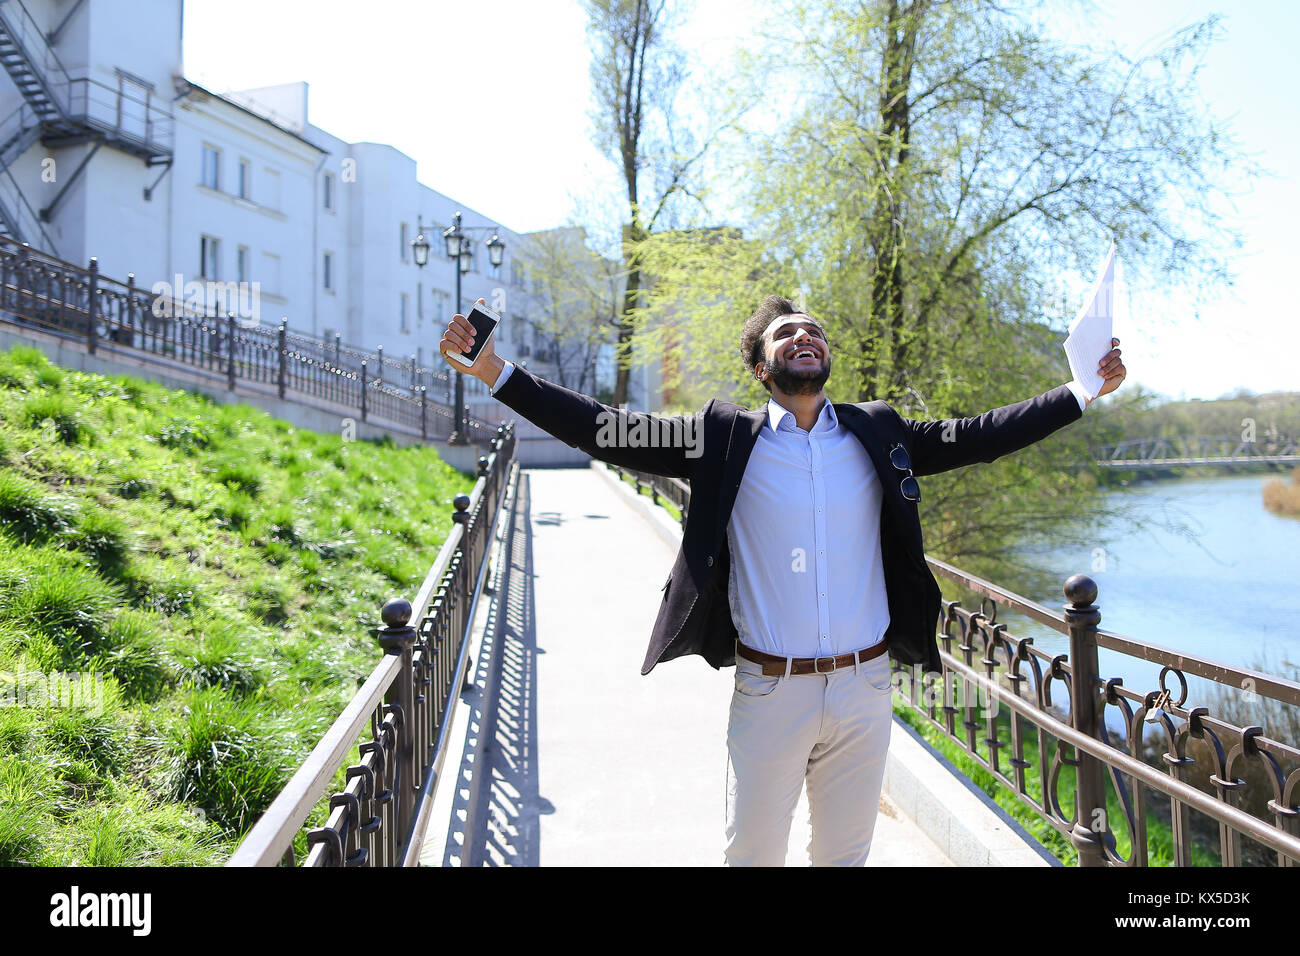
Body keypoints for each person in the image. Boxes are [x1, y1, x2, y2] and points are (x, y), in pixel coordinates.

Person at [438, 294, 1126, 866]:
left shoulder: (877, 431)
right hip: (771, 691)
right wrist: (497, 371)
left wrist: (1082, 390)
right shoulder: (723, 437)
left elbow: (979, 435)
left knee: (844, 859)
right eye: (786, 333)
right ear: (762, 367)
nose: (804, 336)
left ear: (825, 358)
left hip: (865, 689)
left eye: (814, 331)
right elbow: (606, 431)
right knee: (753, 857)